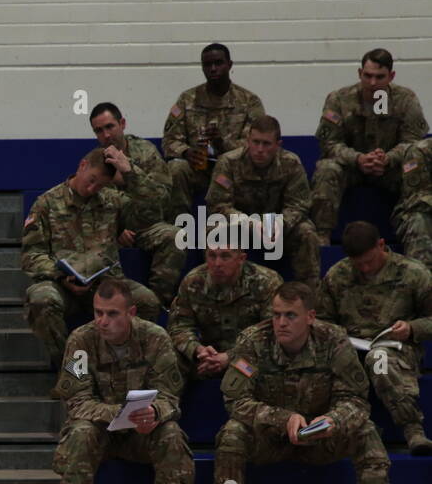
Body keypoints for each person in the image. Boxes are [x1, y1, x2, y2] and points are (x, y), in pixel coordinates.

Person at [213, 282, 391, 484]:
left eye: (291, 316)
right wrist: (282, 418)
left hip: (321, 437)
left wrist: (334, 420)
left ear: (310, 316)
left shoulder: (333, 340)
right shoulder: (253, 342)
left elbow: (356, 399)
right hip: (270, 438)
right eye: (276, 314)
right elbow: (236, 400)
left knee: (366, 432)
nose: (281, 322)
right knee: (231, 435)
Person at [51, 278, 192, 484]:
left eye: (112, 314)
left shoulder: (155, 338)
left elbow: (170, 396)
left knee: (172, 434)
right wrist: (121, 414)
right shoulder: (80, 341)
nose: (103, 321)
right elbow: (76, 403)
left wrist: (154, 413)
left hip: (142, 432)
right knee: (79, 432)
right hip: (101, 433)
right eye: (98, 312)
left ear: (131, 312)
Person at [21, 148, 166, 364]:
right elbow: (32, 254)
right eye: (91, 180)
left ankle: (118, 365)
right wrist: (60, 276)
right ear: (82, 166)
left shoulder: (111, 200)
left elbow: (152, 212)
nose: (92, 189)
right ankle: (70, 375)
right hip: (63, 285)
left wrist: (130, 173)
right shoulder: (47, 203)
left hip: (104, 284)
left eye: (100, 185)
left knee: (148, 302)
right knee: (42, 301)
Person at [317, 220, 432, 454]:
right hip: (350, 348)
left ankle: (412, 430)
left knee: (378, 359)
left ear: (381, 245)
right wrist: (337, 336)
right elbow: (322, 322)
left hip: (397, 348)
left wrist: (411, 328)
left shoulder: (413, 273)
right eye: (358, 264)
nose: (365, 269)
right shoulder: (338, 275)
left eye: (369, 261)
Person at [311, 49, 428, 237]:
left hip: (390, 168)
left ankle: (413, 227)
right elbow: (329, 143)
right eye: (368, 76)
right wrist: (358, 159)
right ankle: (321, 238)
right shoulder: (339, 99)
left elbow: (413, 142)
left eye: (380, 77)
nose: (373, 83)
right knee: (326, 168)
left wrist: (388, 158)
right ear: (359, 74)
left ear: (391, 76)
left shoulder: (406, 99)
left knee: (416, 167)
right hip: (352, 167)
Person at [205, 114, 322, 286]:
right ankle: (212, 289)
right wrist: (250, 223)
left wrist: (280, 224)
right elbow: (218, 205)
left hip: (277, 228)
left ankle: (309, 293)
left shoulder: (290, 163)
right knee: (214, 229)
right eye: (255, 142)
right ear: (248, 140)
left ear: (278, 145)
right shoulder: (228, 162)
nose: (259, 149)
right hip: (241, 226)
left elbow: (298, 205)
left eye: (266, 144)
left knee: (306, 231)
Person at [88, 102, 184, 303]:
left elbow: (161, 198)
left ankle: (158, 304)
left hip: (146, 226)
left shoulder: (145, 151)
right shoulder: (94, 161)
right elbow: (90, 207)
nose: (105, 135)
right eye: (99, 130)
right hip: (112, 232)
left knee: (176, 236)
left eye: (109, 127)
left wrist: (130, 172)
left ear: (122, 123)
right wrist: (115, 230)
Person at [162, 43, 265, 220]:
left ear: (230, 65)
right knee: (176, 168)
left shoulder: (249, 101)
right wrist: (186, 152)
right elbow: (169, 140)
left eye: (218, 63)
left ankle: (251, 231)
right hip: (199, 169)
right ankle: (180, 226)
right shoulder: (187, 100)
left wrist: (222, 144)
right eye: (207, 65)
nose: (213, 69)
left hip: (234, 171)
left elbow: (256, 145)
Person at [167, 242, 281, 381]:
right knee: (169, 359)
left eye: (225, 256)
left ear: (241, 259)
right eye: (212, 256)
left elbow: (271, 333)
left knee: (251, 370)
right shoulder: (193, 281)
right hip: (206, 357)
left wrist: (230, 357)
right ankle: (165, 401)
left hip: (247, 359)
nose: (217, 263)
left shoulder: (266, 282)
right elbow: (179, 326)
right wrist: (198, 350)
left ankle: (246, 401)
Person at [394, 137, 432, 268]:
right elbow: (416, 198)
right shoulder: (420, 151)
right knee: (419, 221)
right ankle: (424, 282)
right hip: (417, 211)